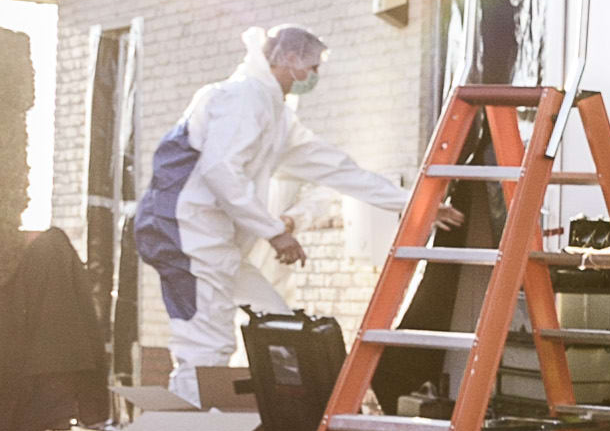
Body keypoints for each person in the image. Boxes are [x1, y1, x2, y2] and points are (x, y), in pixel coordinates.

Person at [133, 26, 428, 381]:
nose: (315, 76)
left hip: (211, 240)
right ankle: (192, 430)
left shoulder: (275, 114)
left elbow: (337, 168)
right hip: (187, 233)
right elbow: (219, 170)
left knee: (280, 323)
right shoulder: (242, 97)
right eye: (313, 67)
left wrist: (413, 202)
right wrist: (275, 233)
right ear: (289, 59)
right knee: (205, 346)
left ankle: (266, 420)